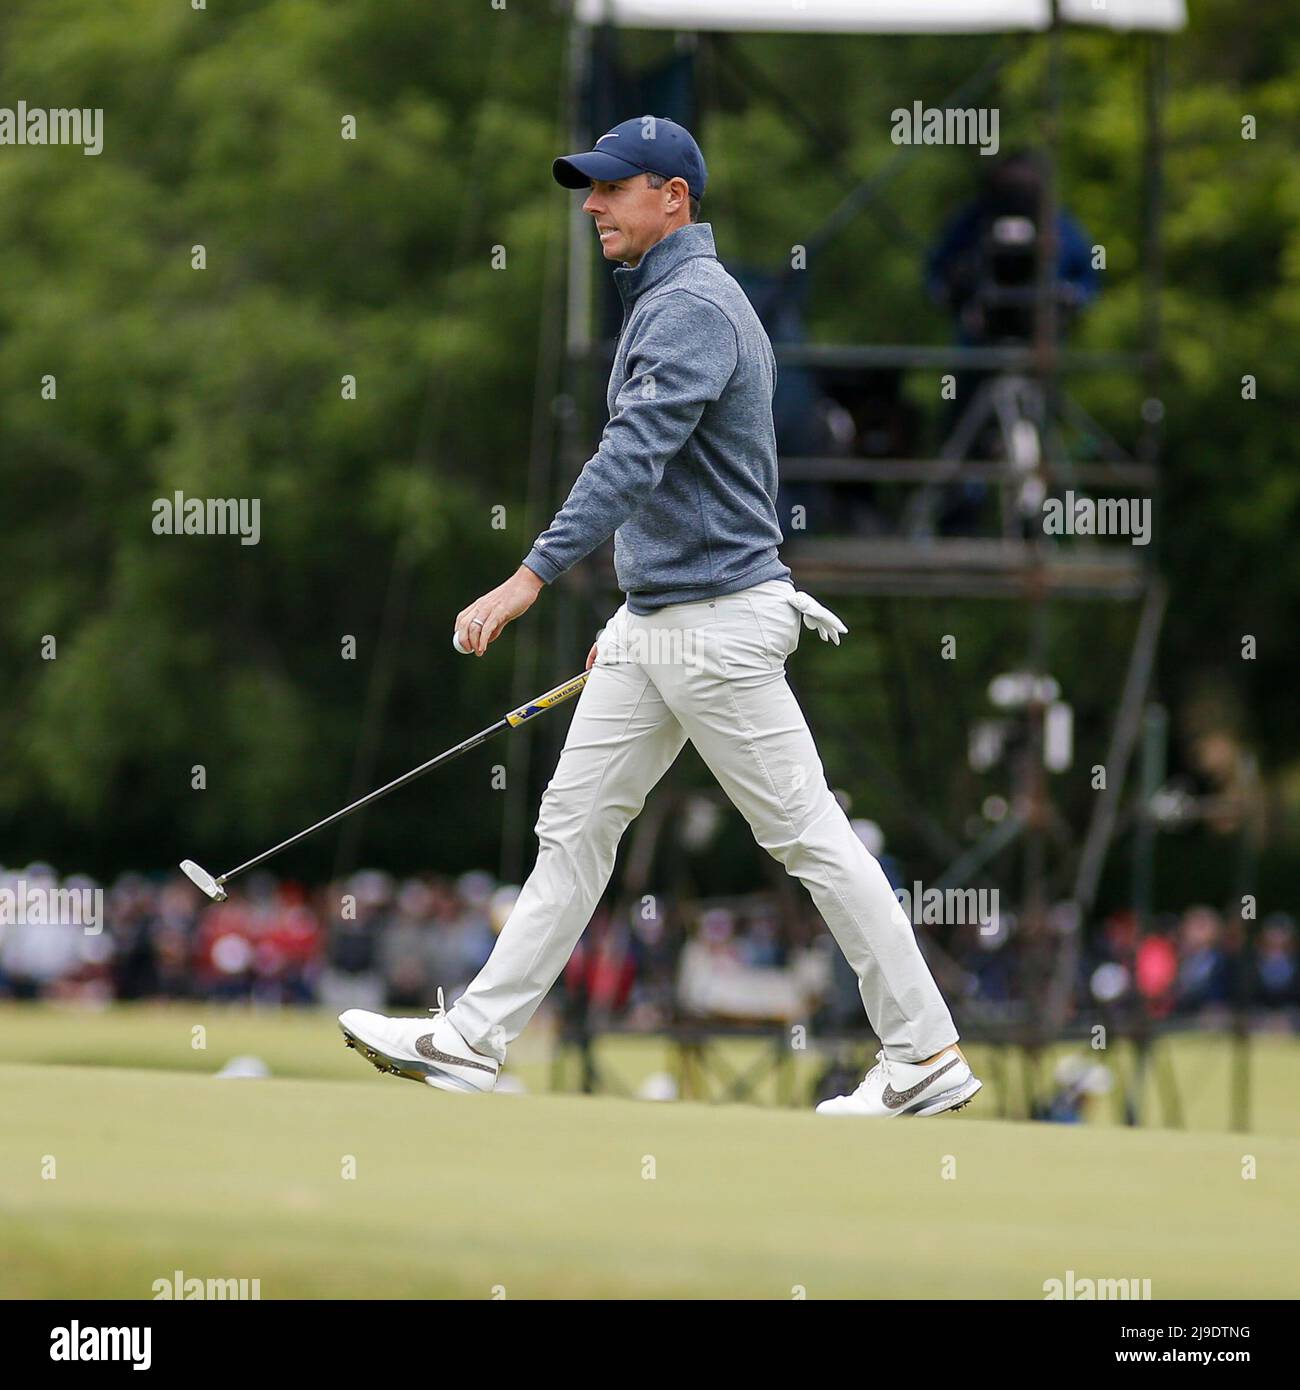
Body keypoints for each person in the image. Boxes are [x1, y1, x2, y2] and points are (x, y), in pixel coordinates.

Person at [338, 116, 980, 1117]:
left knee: (809, 837)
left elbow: (631, 458)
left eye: (612, 187)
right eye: (588, 188)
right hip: (669, 617)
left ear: (672, 196)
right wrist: (635, 613)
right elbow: (665, 478)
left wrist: (530, 577)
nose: (591, 203)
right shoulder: (671, 299)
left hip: (715, 625)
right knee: (575, 828)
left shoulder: (689, 305)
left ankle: (925, 1054)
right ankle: (471, 1038)